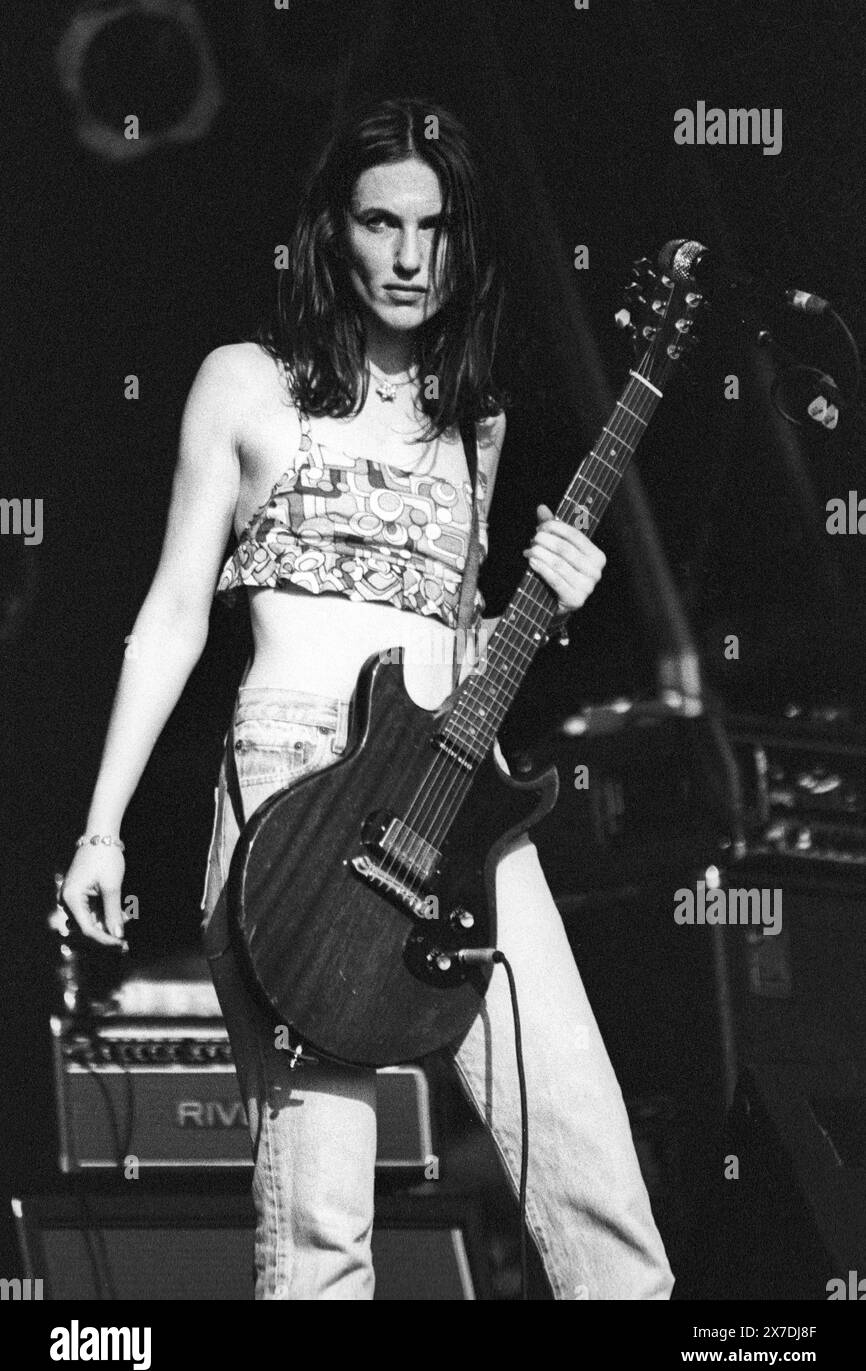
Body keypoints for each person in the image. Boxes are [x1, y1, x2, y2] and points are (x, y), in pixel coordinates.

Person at [60, 96, 674, 1300]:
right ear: (331, 231)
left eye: (433, 228)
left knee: (592, 1176)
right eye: (378, 222)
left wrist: (554, 600)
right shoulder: (242, 383)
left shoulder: (473, 420)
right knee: (322, 1227)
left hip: (452, 798)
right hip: (292, 785)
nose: (406, 257)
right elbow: (175, 615)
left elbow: (458, 646)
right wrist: (101, 828)